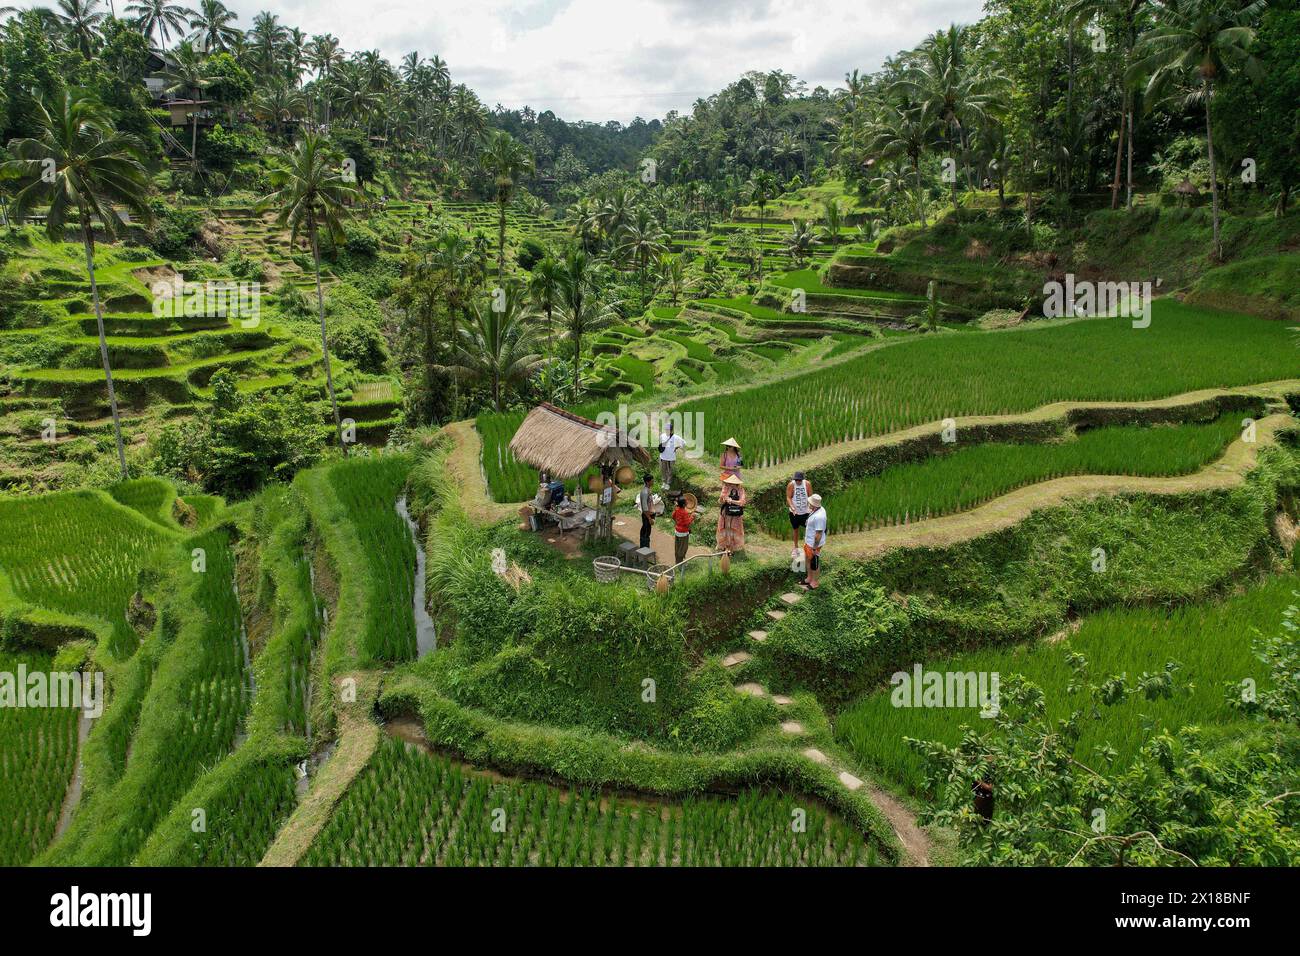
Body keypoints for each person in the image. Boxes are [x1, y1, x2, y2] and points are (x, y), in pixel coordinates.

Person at [802, 493, 827, 589]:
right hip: (809, 542)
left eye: (810, 503)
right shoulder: (817, 509)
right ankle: (809, 578)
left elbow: (818, 535)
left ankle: (814, 582)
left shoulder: (819, 516)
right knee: (808, 559)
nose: (809, 504)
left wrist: (814, 548)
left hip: (813, 544)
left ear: (815, 505)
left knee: (814, 563)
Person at [786, 470, 813, 559]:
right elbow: (789, 497)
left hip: (806, 512)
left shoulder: (807, 484)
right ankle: (795, 547)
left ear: (802, 480)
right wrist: (792, 507)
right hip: (795, 513)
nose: (798, 481)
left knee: (808, 529)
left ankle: (808, 546)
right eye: (796, 480)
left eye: (799, 480)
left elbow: (810, 496)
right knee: (795, 529)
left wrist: (810, 506)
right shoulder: (791, 485)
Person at [717, 474, 746, 553]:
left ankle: (731, 547)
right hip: (726, 512)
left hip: (736, 513)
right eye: (730, 482)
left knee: (732, 529)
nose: (731, 484)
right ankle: (726, 546)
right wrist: (723, 498)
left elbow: (742, 502)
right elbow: (720, 501)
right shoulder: (725, 487)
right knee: (727, 528)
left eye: (733, 483)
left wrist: (731, 501)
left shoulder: (740, 489)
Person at [659, 420, 686, 490]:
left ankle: (668, 483)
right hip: (663, 457)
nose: (667, 431)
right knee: (663, 470)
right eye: (666, 429)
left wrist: (677, 447)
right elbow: (660, 444)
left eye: (668, 430)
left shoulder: (675, 437)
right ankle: (664, 482)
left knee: (670, 471)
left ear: (671, 430)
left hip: (671, 458)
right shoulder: (662, 436)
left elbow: (684, 443)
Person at [671, 495, 695, 565]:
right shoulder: (684, 512)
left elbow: (673, 516)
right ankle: (680, 563)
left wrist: (678, 522)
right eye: (686, 502)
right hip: (683, 533)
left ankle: (677, 560)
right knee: (683, 548)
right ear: (684, 504)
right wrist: (692, 517)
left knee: (677, 546)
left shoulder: (677, 509)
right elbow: (687, 523)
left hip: (677, 531)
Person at [637, 473, 655, 549]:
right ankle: (644, 550)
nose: (653, 482)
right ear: (648, 482)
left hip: (649, 515)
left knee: (646, 531)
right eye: (652, 481)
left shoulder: (648, 489)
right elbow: (645, 508)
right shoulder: (645, 492)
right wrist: (649, 518)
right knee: (645, 532)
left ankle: (645, 549)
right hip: (647, 515)